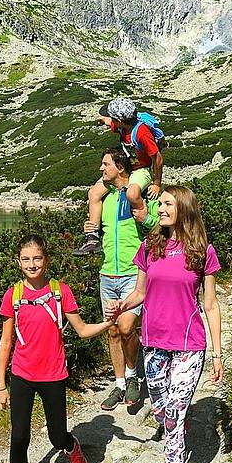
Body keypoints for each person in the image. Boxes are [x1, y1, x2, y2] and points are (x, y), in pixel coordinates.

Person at [111, 185, 223, 463]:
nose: (159, 209)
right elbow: (140, 292)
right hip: (154, 342)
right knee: (161, 410)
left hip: (189, 345)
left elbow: (211, 305)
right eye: (159, 204)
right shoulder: (150, 246)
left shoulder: (203, 251)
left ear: (183, 209)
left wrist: (217, 354)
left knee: (173, 413)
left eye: (166, 204)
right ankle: (175, 423)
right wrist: (123, 305)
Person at [0, 234, 114, 463]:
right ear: (18, 262)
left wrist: (109, 323)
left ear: (46, 260)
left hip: (52, 374)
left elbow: (81, 330)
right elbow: (6, 342)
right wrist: (0, 385)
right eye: (26, 259)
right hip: (22, 375)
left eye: (37, 258)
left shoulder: (60, 291)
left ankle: (73, 449)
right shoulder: (12, 296)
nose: (32, 264)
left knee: (57, 436)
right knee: (18, 439)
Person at [93, 148, 148, 411]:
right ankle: (119, 384)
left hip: (131, 274)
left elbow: (155, 225)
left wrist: (146, 219)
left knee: (127, 327)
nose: (102, 170)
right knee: (112, 331)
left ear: (121, 167)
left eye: (106, 165)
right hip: (107, 274)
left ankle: (133, 375)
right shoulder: (106, 197)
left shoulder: (137, 193)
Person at [76, 97, 165, 255]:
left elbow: (157, 157)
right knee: (94, 193)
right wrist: (103, 119)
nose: (112, 122)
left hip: (141, 169)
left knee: (132, 194)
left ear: (120, 120)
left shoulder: (142, 133)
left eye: (113, 119)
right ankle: (92, 238)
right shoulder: (123, 126)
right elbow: (109, 121)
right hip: (128, 167)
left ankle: (146, 228)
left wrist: (156, 182)